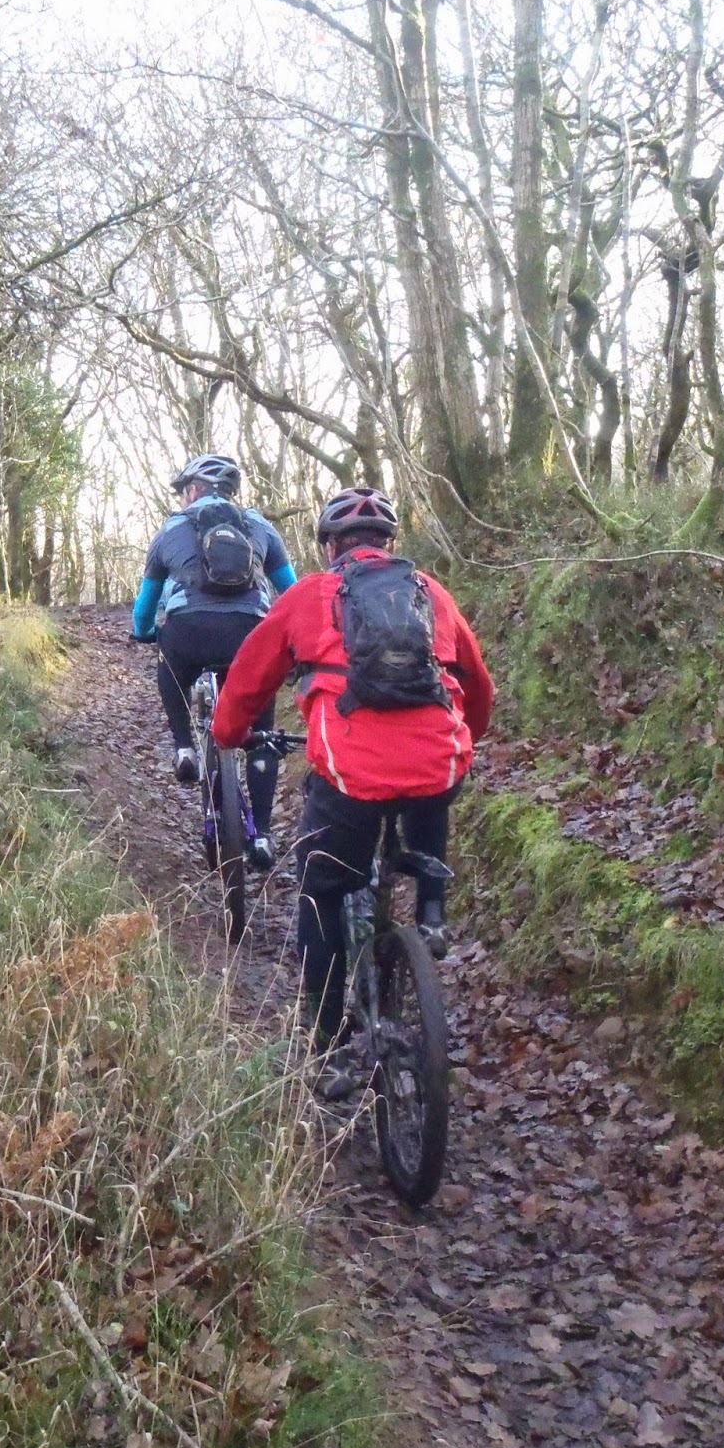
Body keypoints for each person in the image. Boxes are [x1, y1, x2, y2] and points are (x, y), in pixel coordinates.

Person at [211, 486, 493, 1094]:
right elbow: (479, 684)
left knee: (322, 892)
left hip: (350, 775)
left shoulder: (310, 596)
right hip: (438, 759)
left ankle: (331, 1051)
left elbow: (247, 680)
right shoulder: (432, 593)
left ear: (330, 548)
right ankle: (432, 911)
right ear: (389, 544)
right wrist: (465, 734)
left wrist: (229, 735)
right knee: (431, 781)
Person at [130, 453, 297, 870]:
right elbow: (292, 593)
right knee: (261, 729)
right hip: (250, 635)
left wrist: (145, 632)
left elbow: (145, 606)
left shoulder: (172, 528)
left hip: (189, 632)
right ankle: (262, 835)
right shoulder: (259, 526)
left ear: (193, 490)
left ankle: (184, 747)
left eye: (183, 491)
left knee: (170, 663)